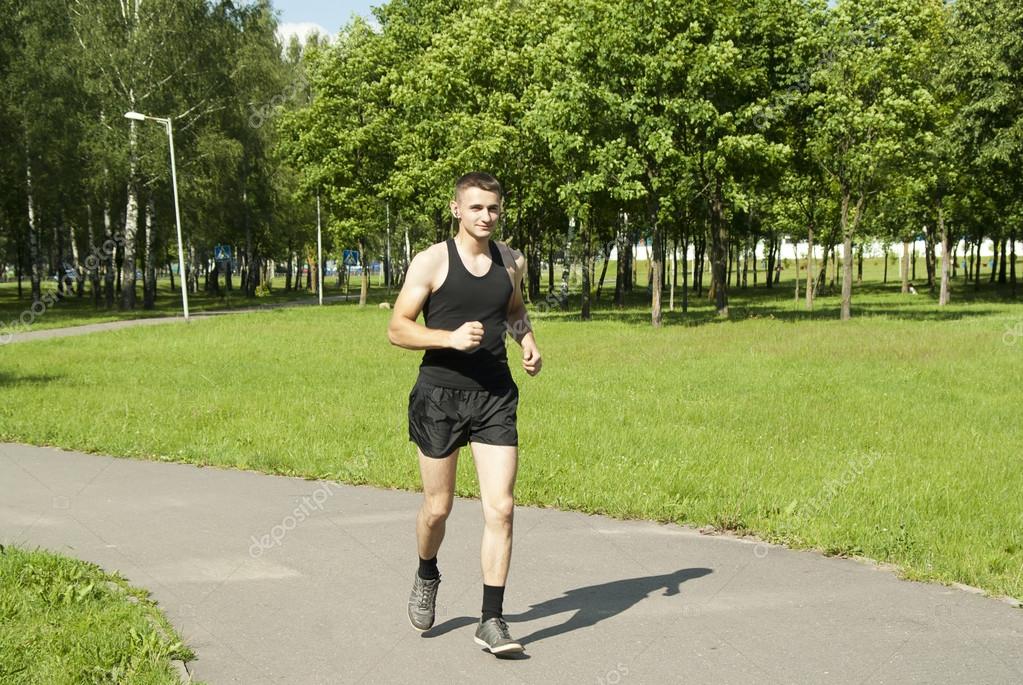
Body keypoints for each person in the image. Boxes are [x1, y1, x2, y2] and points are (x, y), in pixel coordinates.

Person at [386, 171, 542, 655]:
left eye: (493, 208)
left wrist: (528, 342)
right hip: (440, 397)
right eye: (475, 208)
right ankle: (427, 571)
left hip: (495, 394)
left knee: (502, 507)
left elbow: (513, 308)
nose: (486, 216)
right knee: (439, 508)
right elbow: (397, 328)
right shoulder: (432, 261)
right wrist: (448, 338)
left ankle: (491, 620)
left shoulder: (511, 260)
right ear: (457, 209)